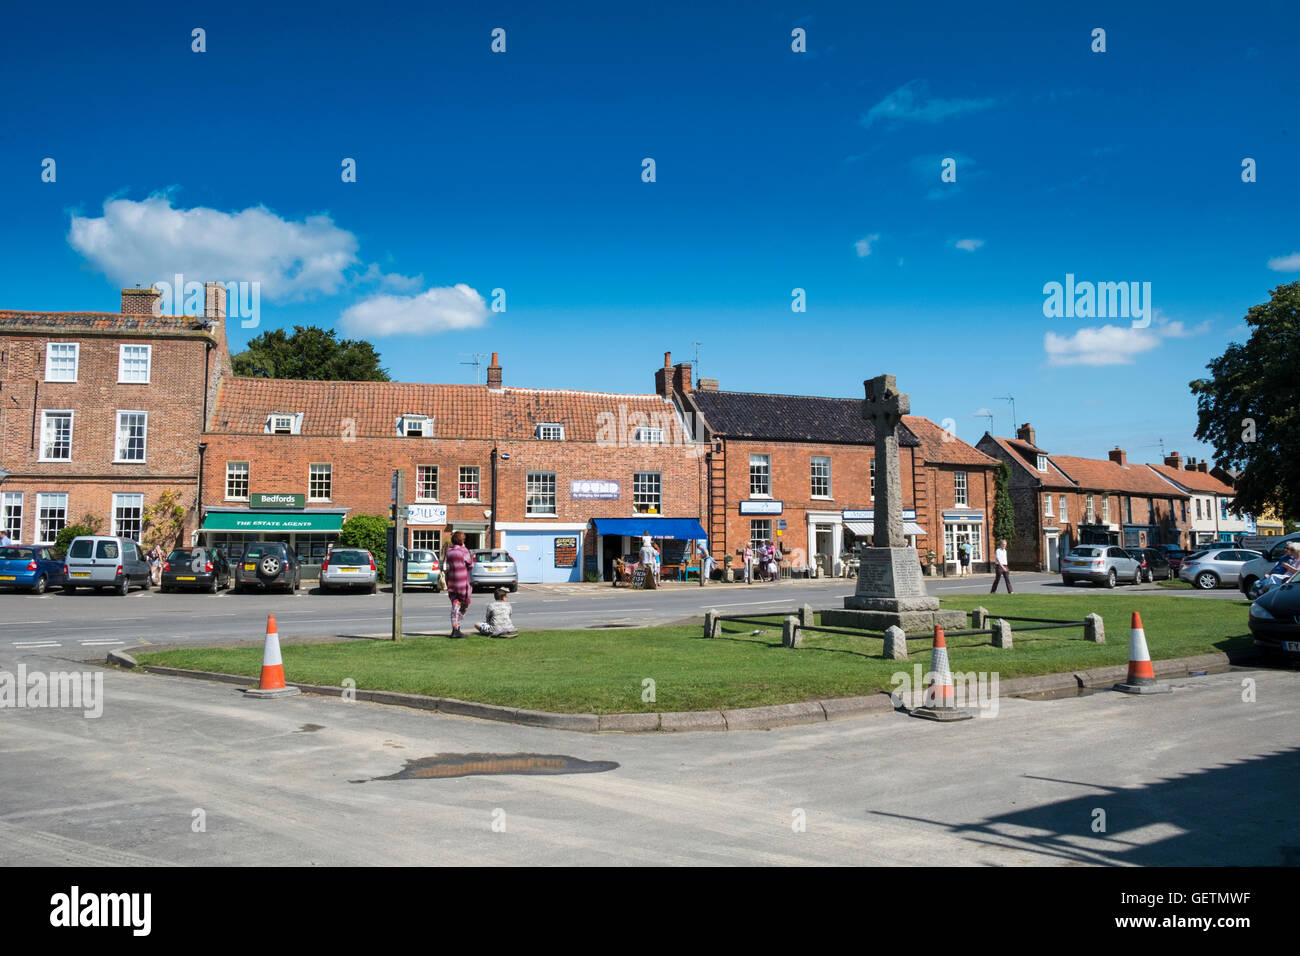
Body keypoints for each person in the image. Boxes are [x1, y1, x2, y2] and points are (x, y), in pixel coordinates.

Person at [443, 531, 474, 638]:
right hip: (462, 581)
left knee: (455, 605)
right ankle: (457, 628)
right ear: (461, 540)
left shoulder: (449, 551)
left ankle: (455, 630)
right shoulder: (463, 551)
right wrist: (465, 549)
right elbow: (470, 565)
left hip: (452, 581)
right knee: (464, 604)